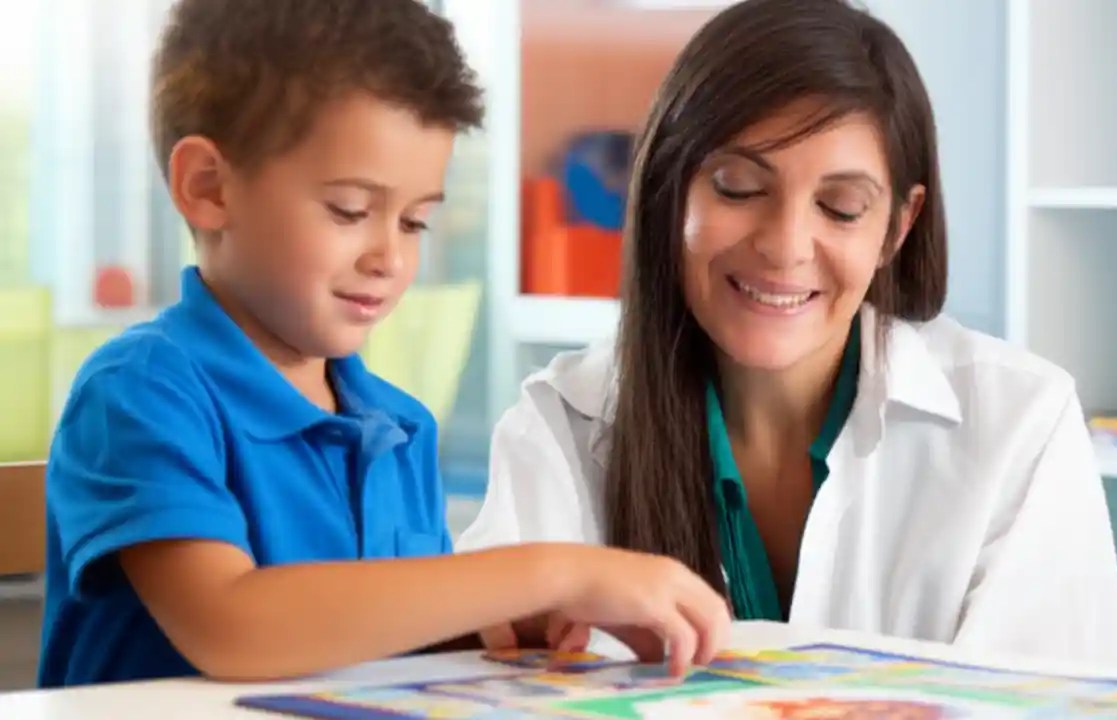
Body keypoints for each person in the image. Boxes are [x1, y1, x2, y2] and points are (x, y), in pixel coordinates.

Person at [38, 0, 728, 689]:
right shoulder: (140, 390)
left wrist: (493, 620)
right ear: (208, 188)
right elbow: (231, 627)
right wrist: (556, 569)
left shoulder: (398, 427)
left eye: (414, 222)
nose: (390, 258)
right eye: (351, 210)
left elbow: (363, 636)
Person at [459, 0, 1117, 668]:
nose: (785, 248)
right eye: (737, 188)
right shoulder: (560, 425)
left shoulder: (1019, 422)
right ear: (670, 192)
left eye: (840, 208)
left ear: (897, 228)